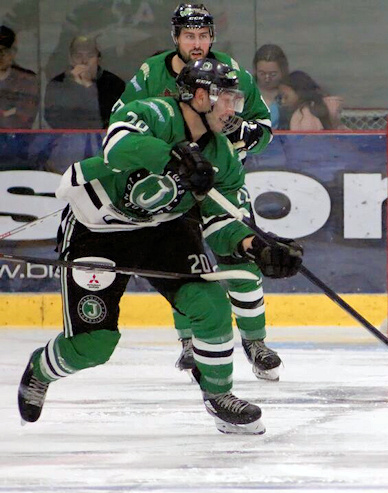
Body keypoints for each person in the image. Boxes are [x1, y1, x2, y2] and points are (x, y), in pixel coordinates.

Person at [16, 59, 303, 435]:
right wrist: (173, 156)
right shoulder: (152, 112)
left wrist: (256, 247)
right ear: (200, 96)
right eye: (227, 99)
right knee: (94, 345)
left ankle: (219, 396)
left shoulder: (224, 153)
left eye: (237, 100)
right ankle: (40, 369)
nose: (234, 110)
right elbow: (117, 147)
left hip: (164, 229)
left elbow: (222, 222)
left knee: (211, 304)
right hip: (98, 226)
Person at [115, 3, 282, 381]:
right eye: (189, 35)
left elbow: (263, 127)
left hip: (223, 179)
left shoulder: (231, 72)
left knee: (241, 256)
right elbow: (121, 121)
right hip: (176, 184)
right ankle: (190, 342)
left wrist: (246, 134)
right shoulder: (151, 72)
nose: (197, 43)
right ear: (175, 37)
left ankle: (255, 342)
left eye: (204, 35)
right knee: (184, 263)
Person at [44, 36, 125, 129]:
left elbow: (112, 120)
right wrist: (75, 87)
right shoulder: (57, 84)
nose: (84, 61)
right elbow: (54, 120)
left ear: (98, 59)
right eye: (78, 56)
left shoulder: (114, 84)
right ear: (70, 59)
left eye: (90, 56)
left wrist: (89, 87)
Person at [0, 25, 38, 129]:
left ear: (13, 52)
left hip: (17, 138)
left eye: (5, 50)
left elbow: (25, 118)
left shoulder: (27, 80)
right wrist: (9, 112)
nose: (1, 55)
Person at [278, 70, 342, 131]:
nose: (283, 101)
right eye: (281, 98)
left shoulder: (300, 116)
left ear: (299, 92)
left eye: (286, 97)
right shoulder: (328, 107)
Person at [253, 44, 289, 130]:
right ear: (255, 70)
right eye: (262, 73)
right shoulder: (248, 93)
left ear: (283, 71)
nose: (267, 78)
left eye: (273, 74)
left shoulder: (290, 94)